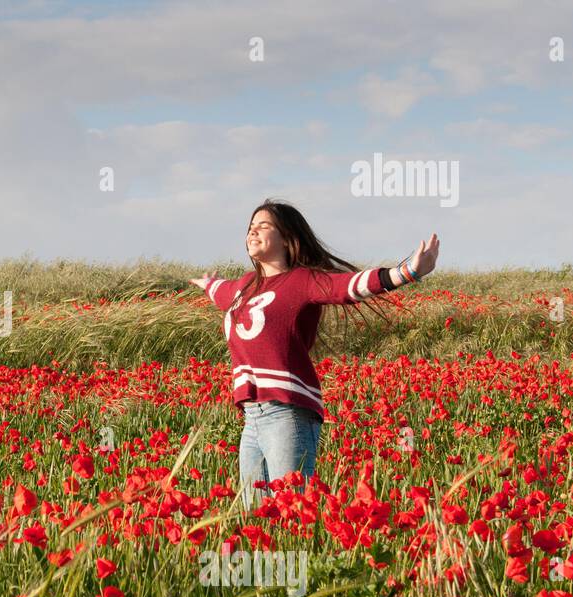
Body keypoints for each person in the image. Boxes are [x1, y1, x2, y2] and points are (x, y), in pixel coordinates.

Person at [188, 199, 440, 511]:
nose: (252, 232)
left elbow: (348, 286)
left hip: (287, 413)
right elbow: (220, 291)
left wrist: (407, 272)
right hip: (251, 418)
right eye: (250, 227)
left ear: (287, 237)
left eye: (263, 226)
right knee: (254, 515)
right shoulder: (242, 288)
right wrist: (207, 284)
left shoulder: (302, 281)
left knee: (291, 511)